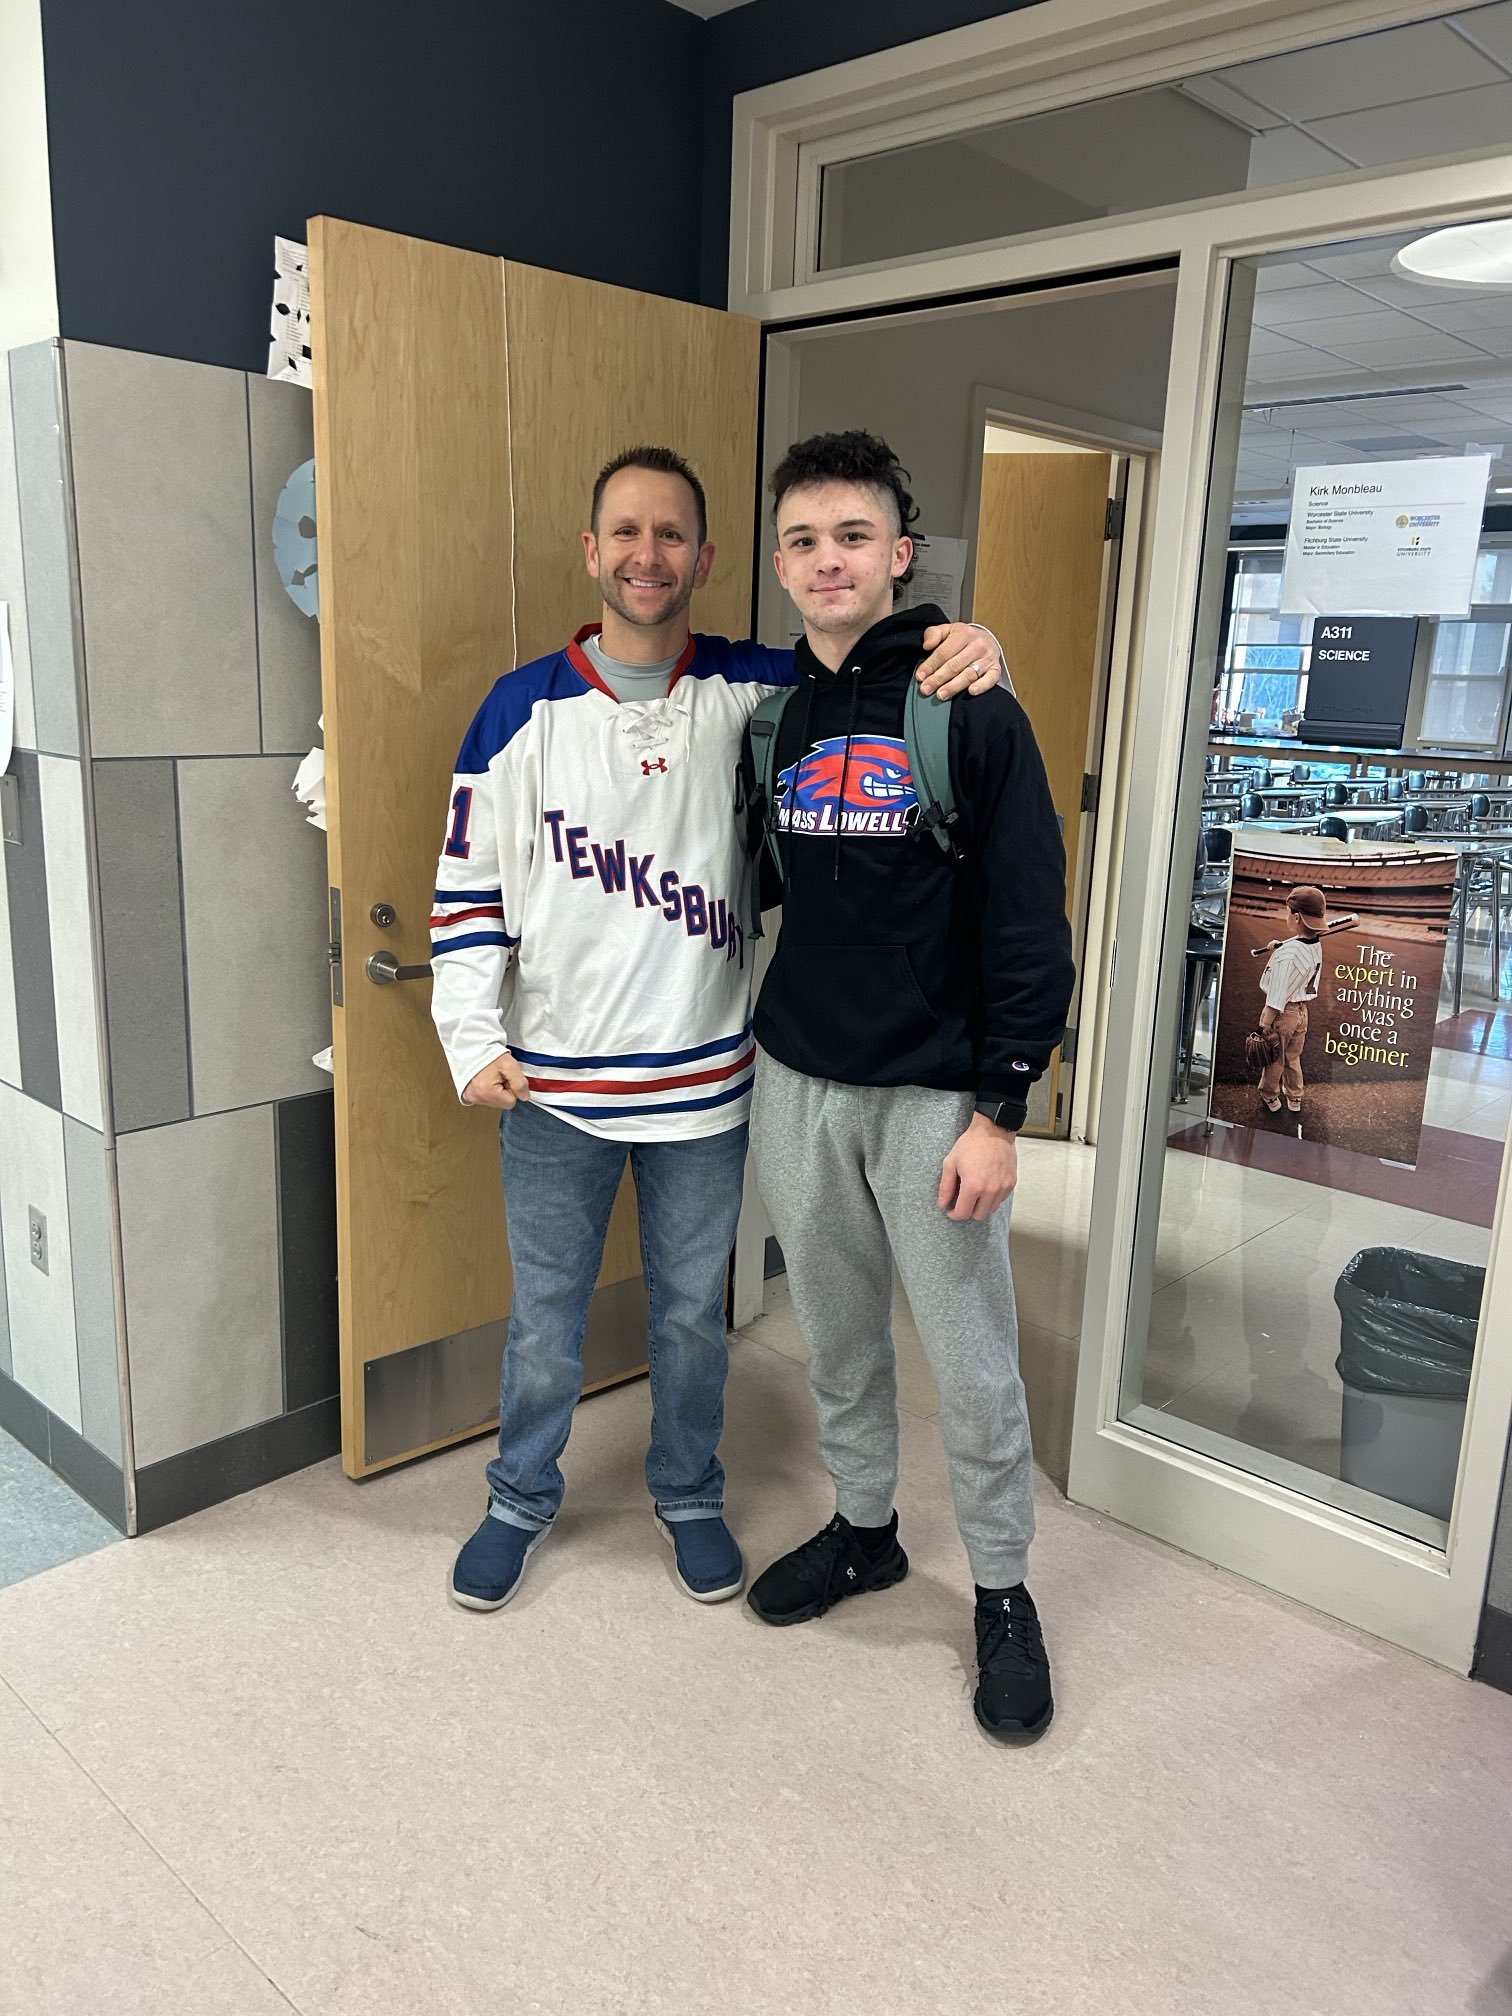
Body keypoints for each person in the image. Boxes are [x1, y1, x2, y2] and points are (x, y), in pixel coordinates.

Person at [431, 444, 1007, 1616]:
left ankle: (689, 1491)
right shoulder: (516, 709)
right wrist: (467, 1033)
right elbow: (467, 888)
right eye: (626, 534)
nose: (649, 555)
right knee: (546, 1319)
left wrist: (980, 644)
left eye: (673, 535)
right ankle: (518, 1498)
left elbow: (882, 663)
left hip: (706, 1088)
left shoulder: (763, 688)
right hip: (551, 1089)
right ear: (592, 551)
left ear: (706, 557)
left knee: (693, 1319)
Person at [740, 430, 1076, 1745]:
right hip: (800, 1084)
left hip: (938, 1101)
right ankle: (868, 1532)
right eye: (805, 540)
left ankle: (1001, 1591)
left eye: (853, 536)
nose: (829, 560)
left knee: (975, 1363)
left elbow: (1026, 926)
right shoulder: (774, 717)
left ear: (901, 553)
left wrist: (1002, 1110)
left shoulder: (971, 704)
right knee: (836, 1337)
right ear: (781, 563)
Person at [1254, 884, 1332, 1116]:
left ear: (1296, 916)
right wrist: (1276, 948)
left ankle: (1270, 1096)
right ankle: (1295, 1097)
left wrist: (1264, 1025)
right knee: (1292, 1057)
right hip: (1301, 1013)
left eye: (1288, 911)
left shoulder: (1286, 953)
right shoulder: (1315, 945)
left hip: (1282, 1014)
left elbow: (1276, 997)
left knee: (1273, 1059)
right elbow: (1299, 946)